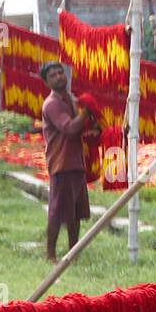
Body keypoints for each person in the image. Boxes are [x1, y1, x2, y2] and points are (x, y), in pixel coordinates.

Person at [39, 61, 93, 264]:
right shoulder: (52, 104)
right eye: (53, 75)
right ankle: (50, 254)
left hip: (75, 162)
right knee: (57, 211)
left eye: (61, 72)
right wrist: (88, 111)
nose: (59, 76)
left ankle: (73, 251)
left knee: (75, 211)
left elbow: (79, 129)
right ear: (47, 82)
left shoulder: (70, 99)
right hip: (61, 163)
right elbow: (70, 129)